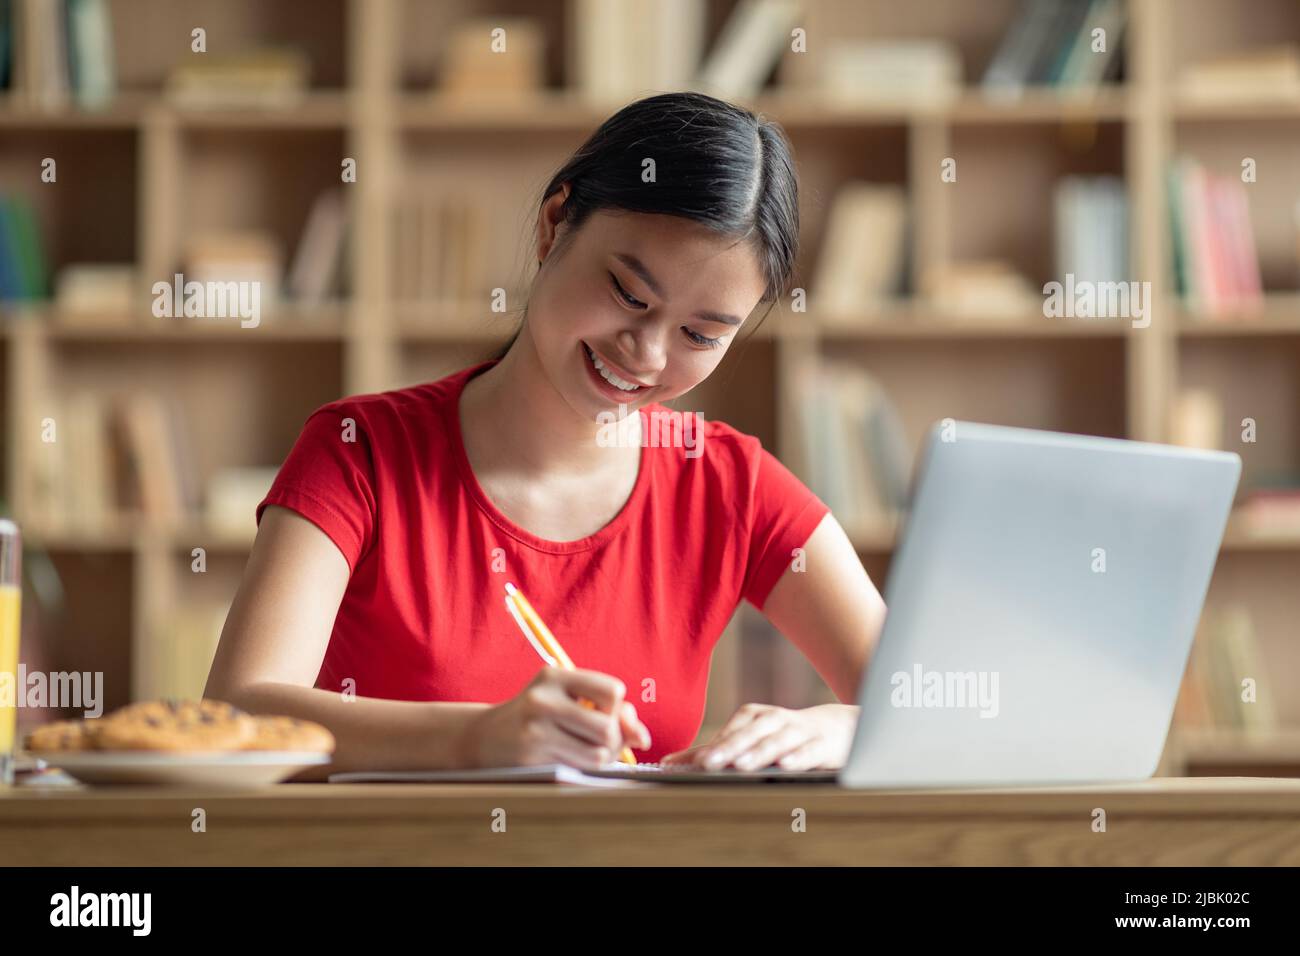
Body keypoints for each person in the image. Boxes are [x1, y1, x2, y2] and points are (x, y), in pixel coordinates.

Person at [205, 91, 886, 778]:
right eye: (628, 294)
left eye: (700, 335)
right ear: (554, 225)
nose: (646, 354)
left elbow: (938, 701)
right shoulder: (360, 450)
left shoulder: (730, 485)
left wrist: (844, 728)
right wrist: (478, 741)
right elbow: (240, 713)